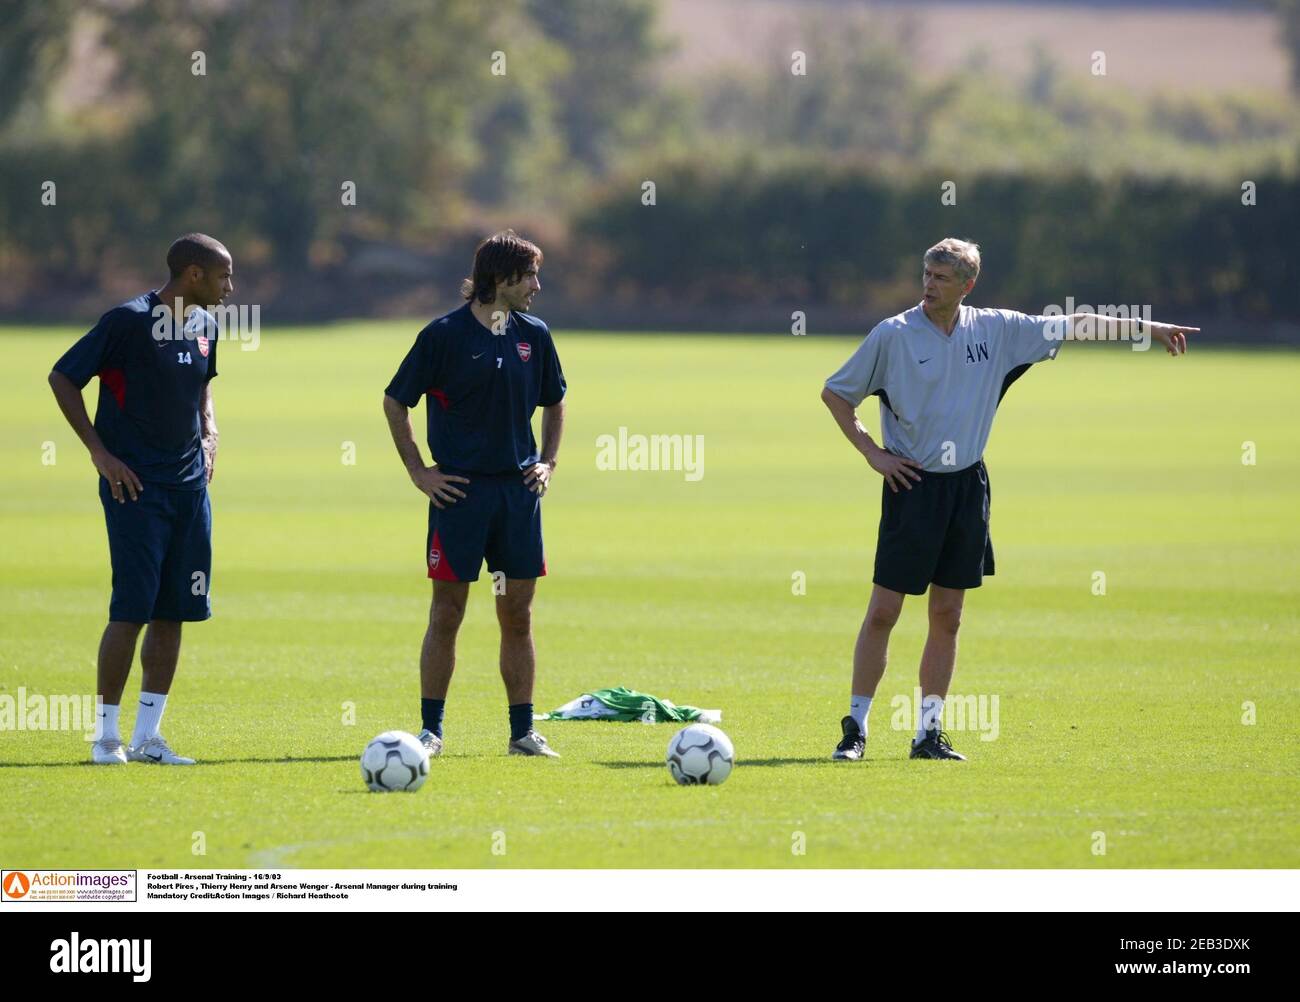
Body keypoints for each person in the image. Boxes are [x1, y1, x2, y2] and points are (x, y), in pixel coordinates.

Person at [821, 237, 1196, 761]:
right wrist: (872, 453)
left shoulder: (996, 329)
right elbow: (837, 394)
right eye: (927, 275)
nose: (929, 285)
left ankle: (927, 734)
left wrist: (1150, 329)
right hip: (912, 487)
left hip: (967, 487)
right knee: (884, 611)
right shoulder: (894, 335)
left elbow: (1076, 324)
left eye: (941, 278)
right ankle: (855, 729)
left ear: (967, 285)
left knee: (948, 615)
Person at [383, 230, 567, 757]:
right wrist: (420, 471)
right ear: (502, 279)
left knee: (518, 616)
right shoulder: (442, 336)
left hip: (517, 496)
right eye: (529, 275)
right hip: (458, 496)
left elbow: (556, 402)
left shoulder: (536, 335)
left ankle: (522, 733)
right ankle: (431, 731)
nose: (537, 285)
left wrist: (548, 463)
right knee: (447, 613)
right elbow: (396, 402)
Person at [49, 233, 231, 765]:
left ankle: (149, 737)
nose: (230, 287)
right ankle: (106, 737)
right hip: (135, 489)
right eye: (224, 276)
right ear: (192, 274)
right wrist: (99, 454)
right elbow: (63, 377)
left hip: (190, 490)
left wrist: (211, 430)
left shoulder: (206, 326)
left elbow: (203, 386)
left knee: (174, 611)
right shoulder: (127, 322)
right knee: (131, 610)